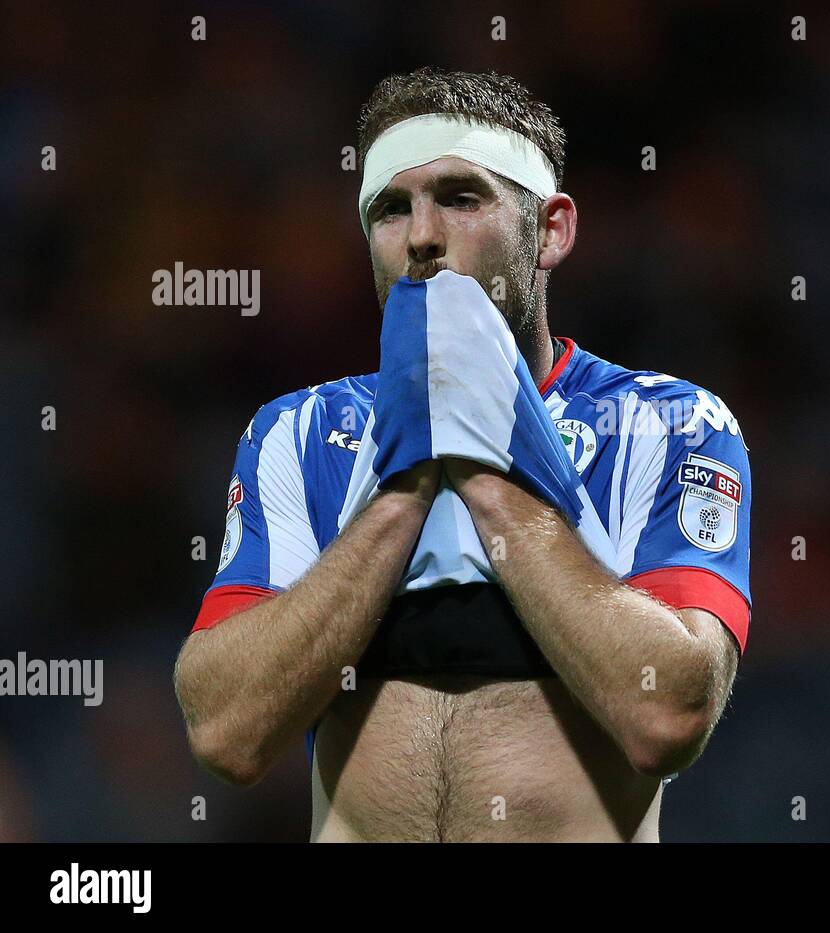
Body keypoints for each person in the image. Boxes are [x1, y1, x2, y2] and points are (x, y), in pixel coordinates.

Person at [173, 68, 751, 842]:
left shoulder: (664, 423)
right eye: (390, 209)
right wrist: (403, 486)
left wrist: (485, 467)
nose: (421, 235)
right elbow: (226, 732)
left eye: (460, 197)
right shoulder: (301, 430)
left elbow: (668, 714)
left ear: (550, 230)